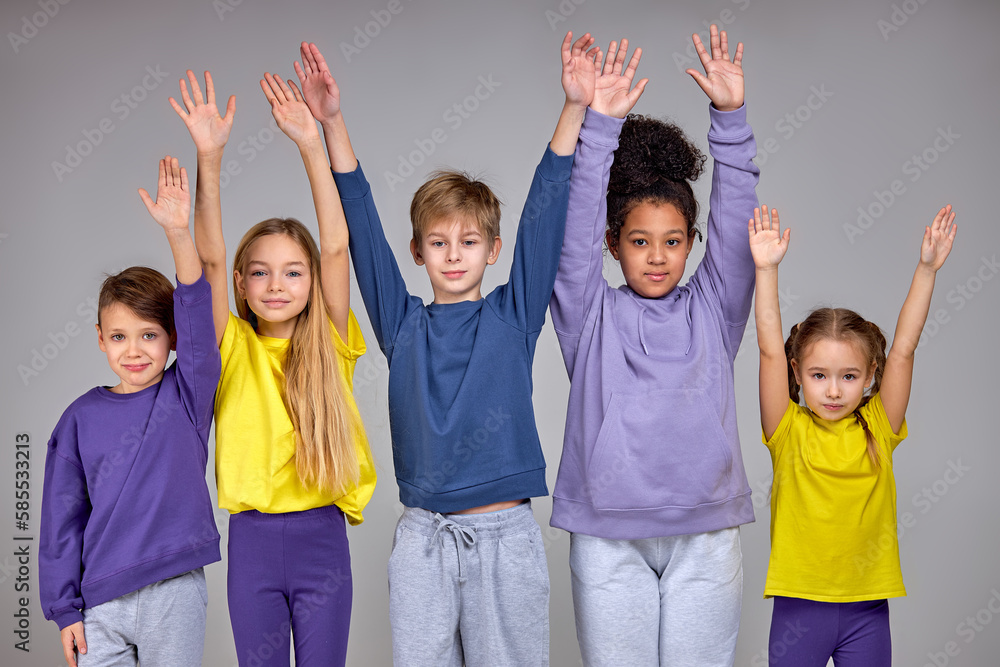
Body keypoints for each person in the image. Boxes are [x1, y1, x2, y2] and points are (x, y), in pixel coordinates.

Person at [292, 32, 596, 665]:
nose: (453, 255)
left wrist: (573, 108)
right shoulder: (402, 326)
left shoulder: (513, 317)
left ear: (491, 248)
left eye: (468, 241)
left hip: (505, 536)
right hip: (424, 540)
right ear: (418, 252)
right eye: (438, 242)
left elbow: (544, 218)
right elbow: (363, 230)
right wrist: (331, 122)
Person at [549, 26, 759, 665]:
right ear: (613, 244)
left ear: (692, 243)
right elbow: (570, 231)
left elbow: (734, 218)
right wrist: (598, 127)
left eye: (673, 240)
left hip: (706, 534)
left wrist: (732, 115)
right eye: (640, 241)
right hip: (609, 536)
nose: (659, 256)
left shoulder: (714, 307)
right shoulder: (589, 316)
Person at [171, 70, 375, 666]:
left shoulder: (331, 344)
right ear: (241, 282)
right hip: (254, 544)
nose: (277, 284)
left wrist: (312, 143)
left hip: (323, 541)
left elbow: (336, 245)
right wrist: (209, 157)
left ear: (313, 282)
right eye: (260, 271)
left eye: (293, 271)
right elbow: (207, 257)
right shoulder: (228, 344)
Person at [750, 204, 957, 665]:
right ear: (797, 374)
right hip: (799, 609)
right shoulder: (787, 429)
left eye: (848, 376)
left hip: (867, 609)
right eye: (820, 374)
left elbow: (904, 348)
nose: (833, 389)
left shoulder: (878, 427)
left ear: (869, 377)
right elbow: (767, 347)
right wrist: (766, 270)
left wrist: (926, 269)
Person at [40, 156, 221, 667]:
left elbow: (196, 313)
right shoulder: (78, 419)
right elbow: (60, 520)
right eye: (119, 336)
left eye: (149, 334)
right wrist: (64, 608)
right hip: (100, 602)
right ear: (100, 340)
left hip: (174, 594)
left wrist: (178, 233)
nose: (134, 349)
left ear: (173, 340)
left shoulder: (186, 394)